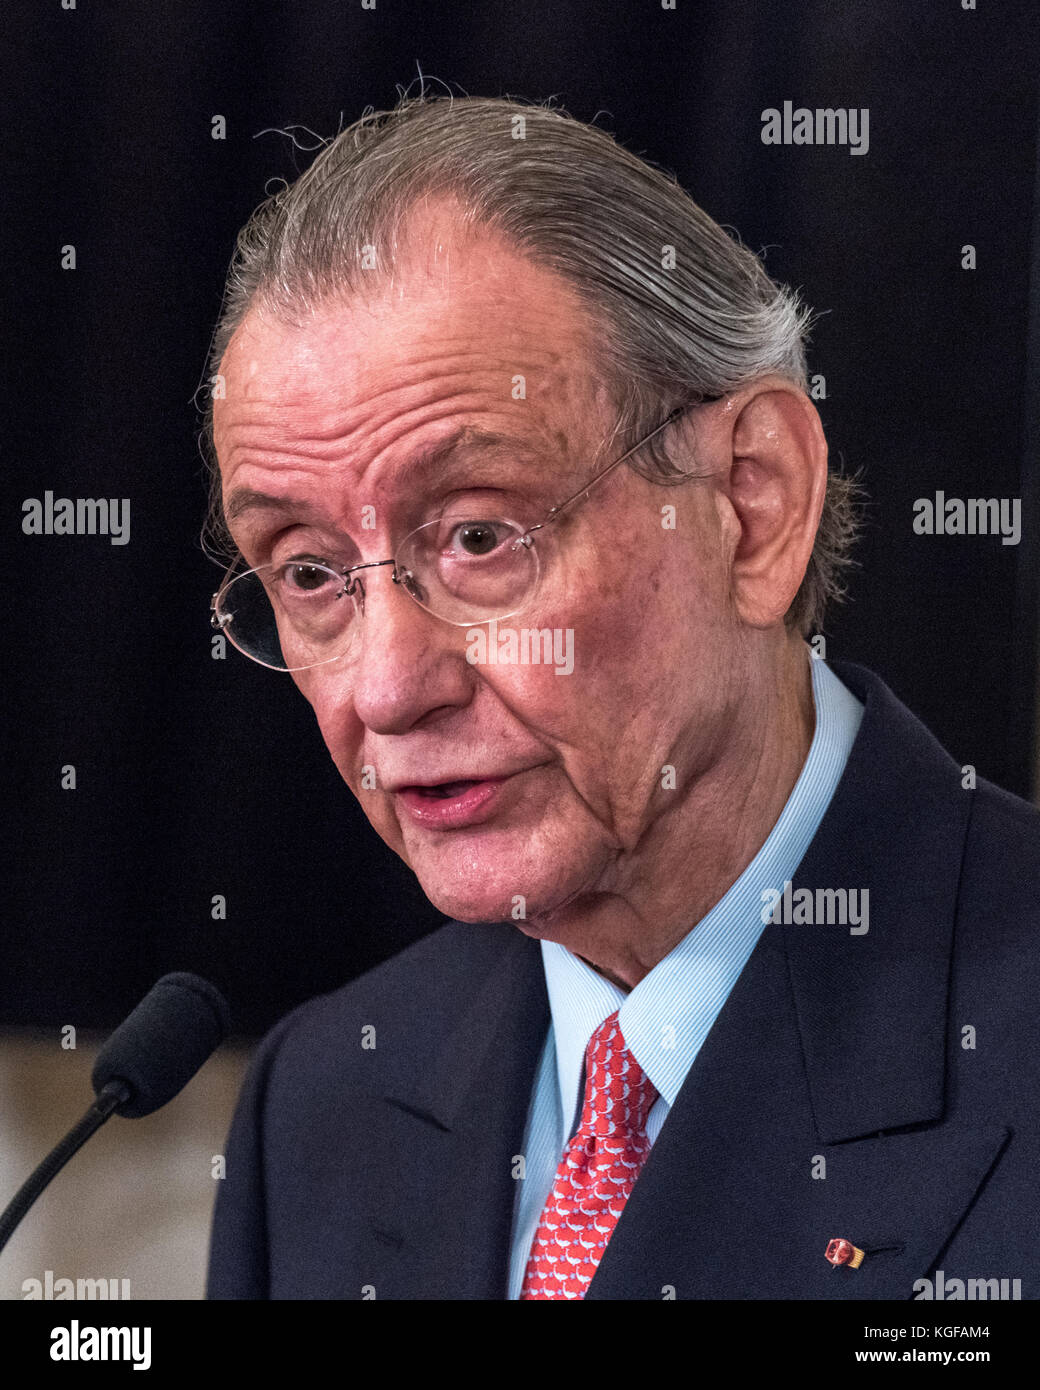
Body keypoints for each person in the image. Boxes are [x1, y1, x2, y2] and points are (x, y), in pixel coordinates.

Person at [204, 93, 1040, 1300]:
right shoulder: (320, 1107)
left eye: (480, 536)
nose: (387, 689)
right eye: (310, 574)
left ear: (750, 507)